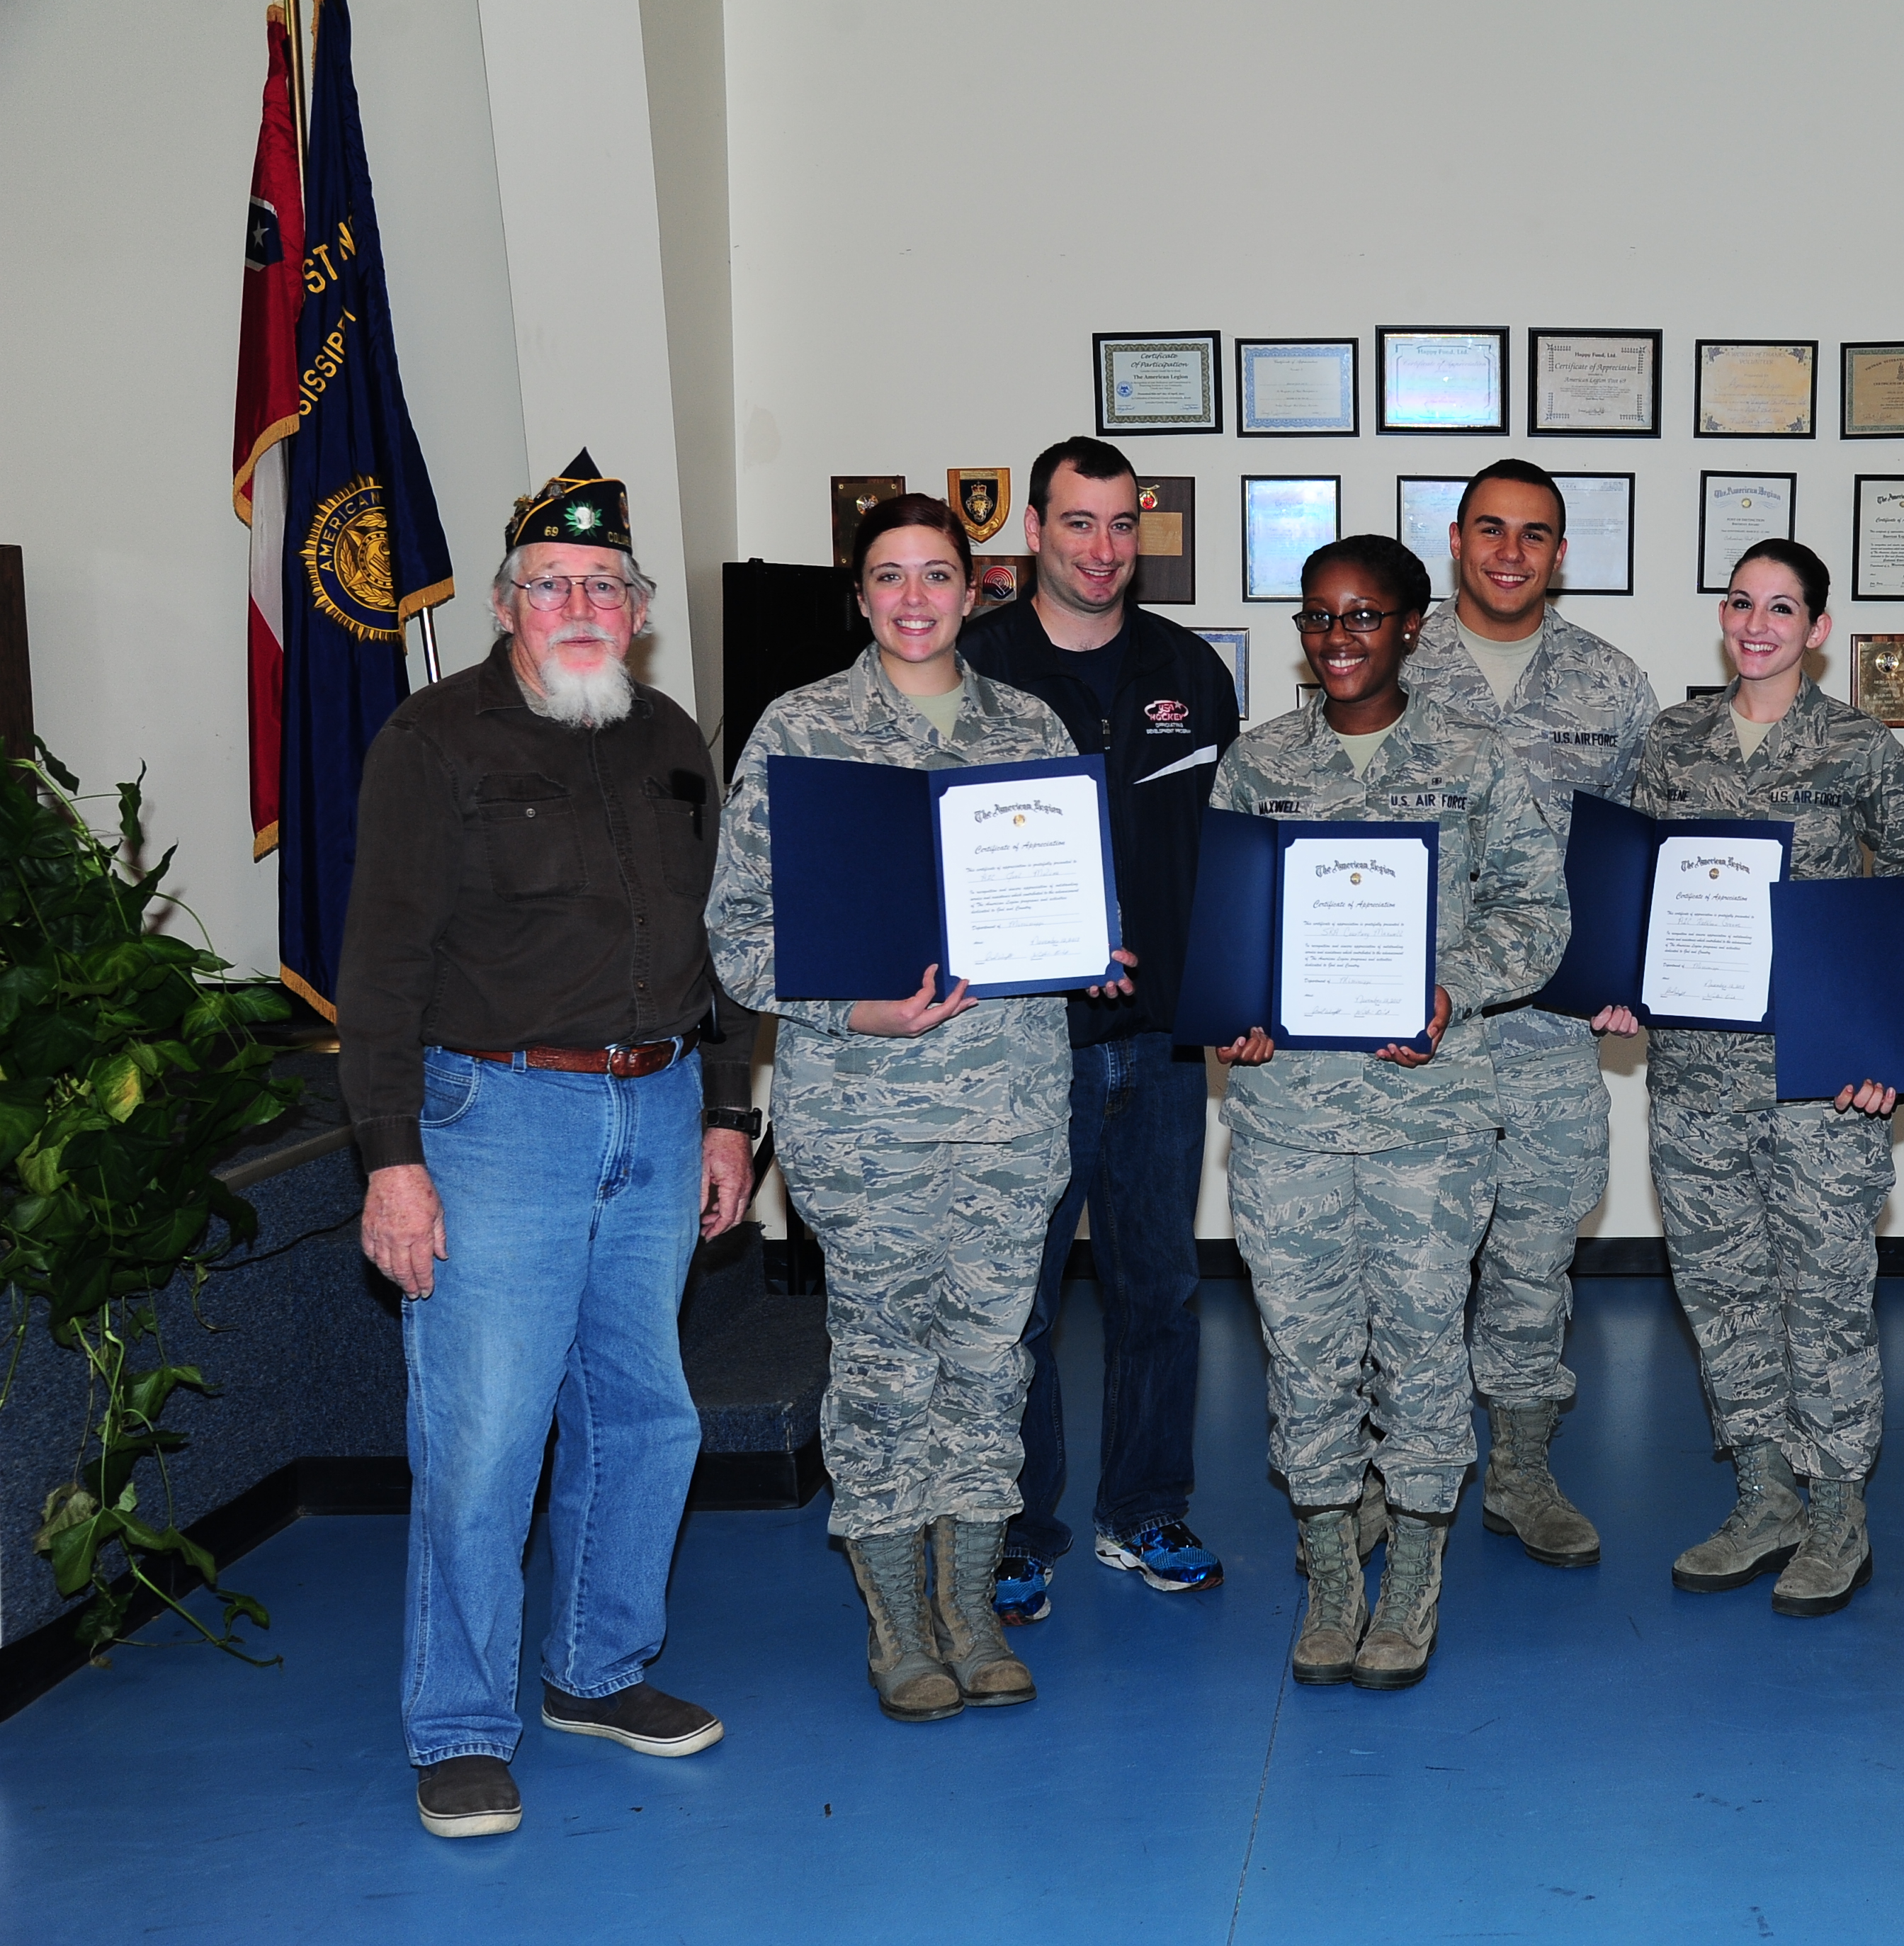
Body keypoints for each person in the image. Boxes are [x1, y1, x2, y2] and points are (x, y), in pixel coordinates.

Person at [341, 450, 758, 1840]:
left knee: (645, 1415)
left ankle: (596, 1668)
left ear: (635, 608)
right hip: (492, 1120)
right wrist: (390, 1159)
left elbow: (713, 948)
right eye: (548, 584)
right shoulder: (434, 743)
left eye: (603, 585)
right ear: (510, 604)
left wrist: (722, 1112)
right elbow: (382, 966)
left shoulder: (671, 737)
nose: (578, 603)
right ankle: (459, 1723)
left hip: (654, 1108)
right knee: (484, 1435)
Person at [709, 492, 1127, 1722]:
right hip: (867, 1121)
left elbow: (1055, 903)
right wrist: (852, 1011)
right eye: (886, 576)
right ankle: (899, 1620)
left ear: (974, 586)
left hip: (1007, 1107)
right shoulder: (802, 728)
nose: (910, 598)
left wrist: (1089, 945)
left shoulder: (1028, 726)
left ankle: (973, 1605)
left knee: (992, 1364)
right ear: (858, 592)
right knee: (888, 1370)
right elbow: (736, 941)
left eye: (934, 575)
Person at [1206, 534, 1568, 1691]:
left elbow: (1538, 916)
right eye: (1319, 619)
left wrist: (1452, 983)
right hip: (1288, 1120)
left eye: (1363, 617)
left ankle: (1410, 1586)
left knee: (1421, 1357)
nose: (1337, 639)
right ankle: (1329, 1581)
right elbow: (1228, 927)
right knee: (1306, 1357)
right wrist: (1234, 1009)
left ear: (1412, 626)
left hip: (1428, 1117)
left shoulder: (1475, 761)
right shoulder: (1256, 765)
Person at [1592, 539, 1904, 1617]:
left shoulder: (1859, 746)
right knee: (1723, 1292)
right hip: (1695, 1072)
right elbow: (1634, 885)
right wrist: (1617, 980)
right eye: (1741, 603)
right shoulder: (1673, 739)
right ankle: (1763, 1493)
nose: (1758, 624)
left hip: (1820, 1078)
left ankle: (1839, 1512)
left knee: (1824, 1296)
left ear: (1818, 629)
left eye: (1782, 608)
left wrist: (1893, 1050)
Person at [955, 437, 1240, 1617]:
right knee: (1016, 1291)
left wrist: (1230, 997)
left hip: (1166, 1040)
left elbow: (1227, 853)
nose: (1103, 549)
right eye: (1078, 523)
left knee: (1159, 1289)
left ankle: (1145, 1511)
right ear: (1034, 528)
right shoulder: (975, 665)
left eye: (1123, 525)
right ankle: (1017, 1526)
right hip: (1024, 1043)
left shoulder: (1190, 668)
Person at [1398, 458, 1658, 1568]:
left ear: (1562, 553)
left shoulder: (1612, 685)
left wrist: (1635, 969)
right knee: (1407, 1264)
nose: (1512, 553)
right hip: (1416, 1031)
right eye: (1492, 530)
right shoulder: (1389, 661)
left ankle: (1518, 1469)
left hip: (1552, 1033)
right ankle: (1402, 1473)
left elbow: (1647, 846)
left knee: (1533, 1258)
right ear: (1456, 539)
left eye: (1536, 535)